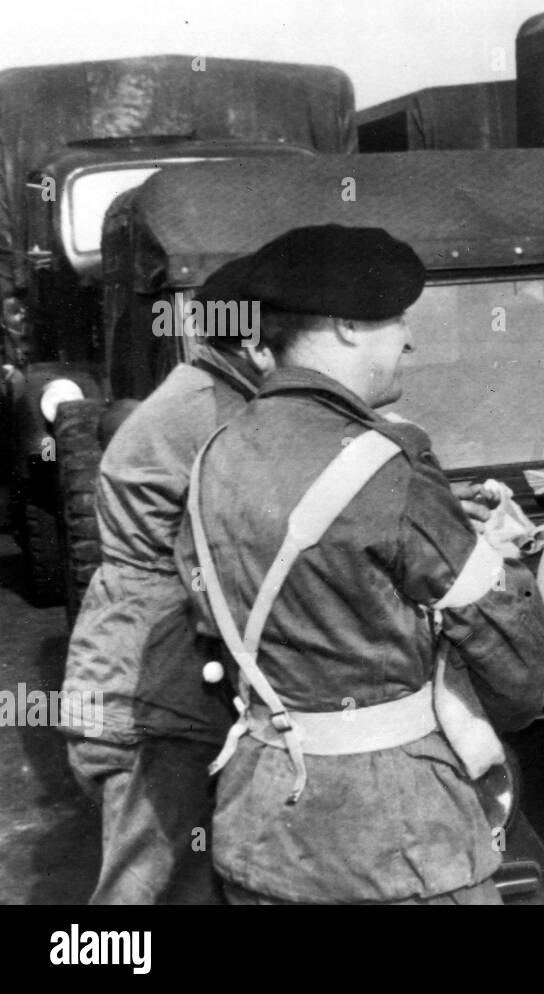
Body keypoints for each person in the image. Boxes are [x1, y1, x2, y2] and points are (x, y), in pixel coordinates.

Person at [174, 224, 544, 905]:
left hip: (261, 825)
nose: (408, 340)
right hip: (398, 843)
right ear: (348, 328)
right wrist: (507, 566)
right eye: (399, 322)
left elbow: (213, 615)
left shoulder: (214, 455)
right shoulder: (390, 460)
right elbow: (517, 673)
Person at [61, 255, 276, 903]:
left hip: (140, 684)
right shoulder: (217, 416)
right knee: (147, 901)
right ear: (257, 345)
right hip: (157, 700)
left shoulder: (200, 395)